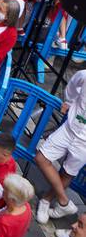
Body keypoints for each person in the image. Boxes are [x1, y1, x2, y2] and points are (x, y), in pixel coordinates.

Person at [33, 71, 86, 223]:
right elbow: (72, 86)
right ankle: (64, 201)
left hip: (84, 143)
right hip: (69, 129)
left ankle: (46, 200)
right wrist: (70, 102)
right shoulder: (84, 75)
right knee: (41, 158)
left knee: (68, 173)